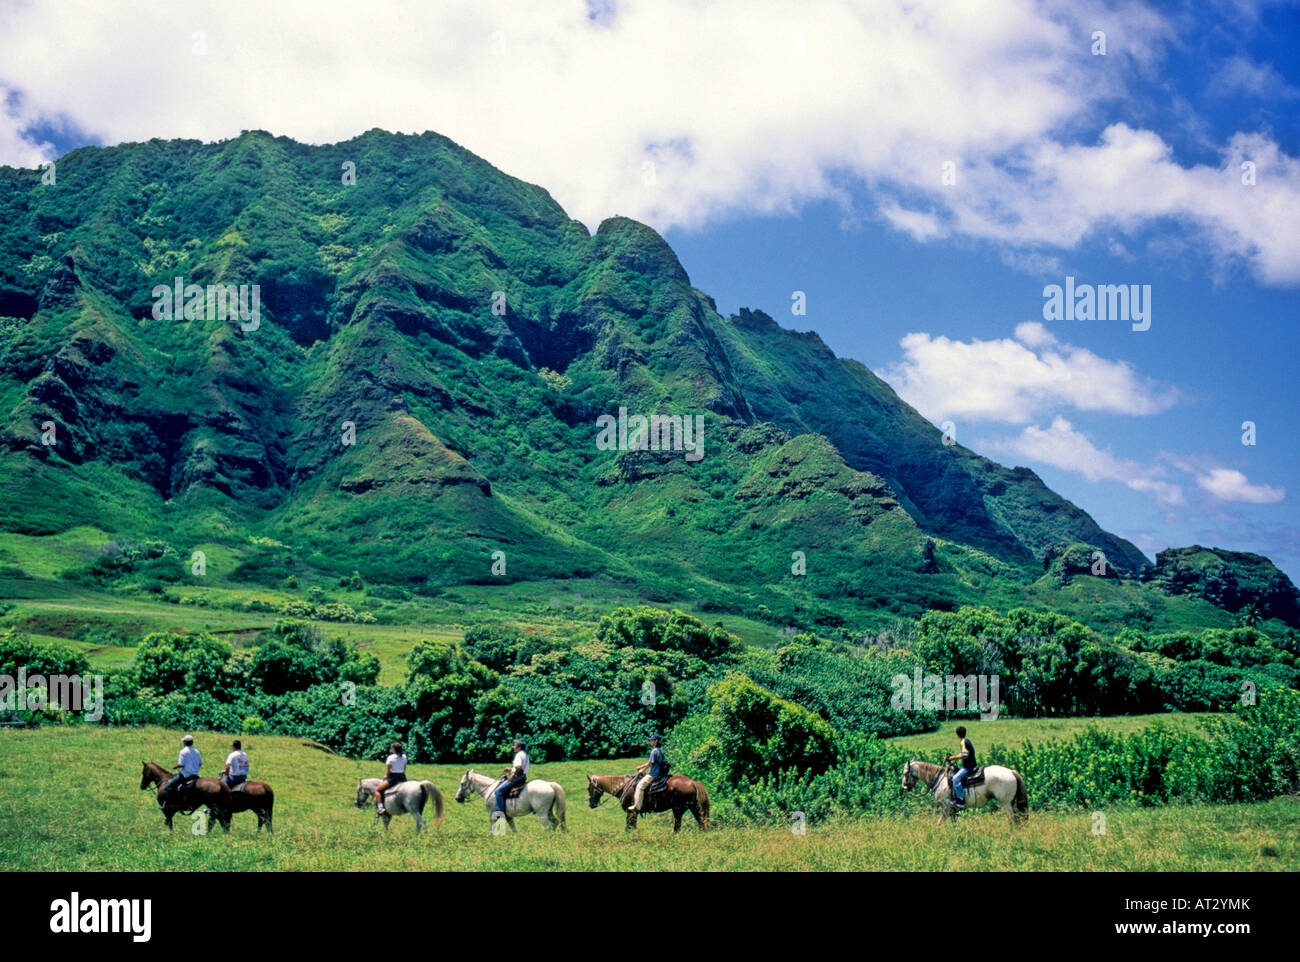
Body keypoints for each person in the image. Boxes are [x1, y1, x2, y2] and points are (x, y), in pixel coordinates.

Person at [628, 733, 668, 813]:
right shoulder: (659, 750)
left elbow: (650, 764)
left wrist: (642, 770)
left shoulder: (654, 751)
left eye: (652, 740)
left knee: (640, 786)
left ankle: (637, 806)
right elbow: (650, 762)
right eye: (650, 740)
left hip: (654, 774)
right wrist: (640, 767)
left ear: (656, 741)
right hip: (660, 772)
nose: (650, 742)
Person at [164, 734, 202, 809]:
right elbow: (200, 763)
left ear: (184, 742)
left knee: (168, 786)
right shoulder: (197, 751)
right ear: (192, 742)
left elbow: (181, 765)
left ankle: (168, 805)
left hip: (185, 775)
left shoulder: (183, 752)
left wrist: (175, 767)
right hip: (195, 775)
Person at [495, 738, 529, 818]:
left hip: (517, 777)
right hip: (522, 776)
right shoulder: (525, 754)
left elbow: (518, 767)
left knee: (498, 791)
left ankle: (500, 814)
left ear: (519, 747)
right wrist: (510, 769)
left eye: (515, 745)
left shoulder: (519, 755)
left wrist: (512, 775)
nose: (513, 747)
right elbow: (520, 768)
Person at [945, 725, 976, 806]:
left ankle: (960, 799)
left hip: (968, 767)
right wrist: (952, 758)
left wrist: (952, 758)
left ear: (957, 734)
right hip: (972, 765)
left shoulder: (963, 742)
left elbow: (965, 755)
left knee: (955, 779)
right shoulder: (967, 741)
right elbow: (963, 753)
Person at [373, 742, 407, 814]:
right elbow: (404, 768)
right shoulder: (404, 756)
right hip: (402, 777)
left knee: (377, 790)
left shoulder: (390, 757)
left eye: (392, 748)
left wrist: (386, 776)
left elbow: (389, 771)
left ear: (394, 749)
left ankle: (380, 808)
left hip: (393, 777)